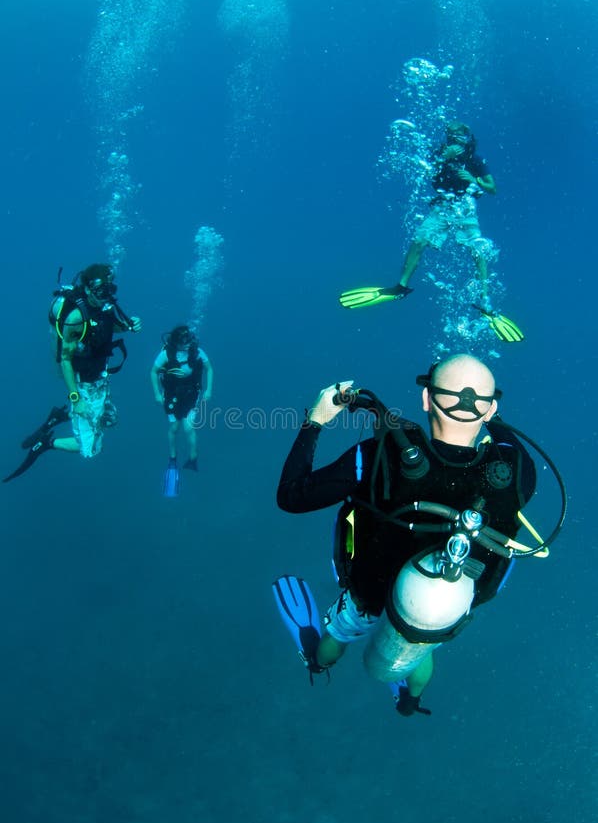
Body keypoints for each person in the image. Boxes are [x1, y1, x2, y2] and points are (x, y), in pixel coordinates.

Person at [275, 354, 536, 716]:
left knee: (339, 633)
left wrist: (315, 420)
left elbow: (291, 496)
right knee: (421, 647)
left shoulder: (379, 455)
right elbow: (505, 440)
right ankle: (410, 700)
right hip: (443, 605)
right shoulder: (518, 472)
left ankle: (318, 663)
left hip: (369, 591)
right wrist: (490, 413)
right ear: (490, 409)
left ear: (426, 399)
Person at [339, 121, 499, 313]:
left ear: (467, 140)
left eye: (459, 138)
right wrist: (443, 158)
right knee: (419, 240)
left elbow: (492, 189)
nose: (455, 141)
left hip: (465, 207)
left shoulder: (475, 160)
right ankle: (401, 287)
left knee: (477, 250)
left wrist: (474, 180)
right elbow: (426, 172)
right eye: (451, 137)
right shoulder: (439, 154)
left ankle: (485, 299)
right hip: (443, 206)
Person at [4, 263, 141, 482]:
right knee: (90, 450)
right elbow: (65, 359)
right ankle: (46, 444)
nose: (105, 296)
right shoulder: (76, 318)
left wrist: (129, 325)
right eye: (100, 291)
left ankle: (60, 416)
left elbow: (109, 327)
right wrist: (76, 398)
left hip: (100, 378)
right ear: (87, 289)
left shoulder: (104, 308)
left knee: (110, 419)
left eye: (109, 290)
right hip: (84, 383)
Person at [150, 325, 213, 476]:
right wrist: (157, 394)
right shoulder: (166, 354)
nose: (187, 343)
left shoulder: (197, 352)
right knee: (175, 427)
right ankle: (173, 457)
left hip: (191, 394)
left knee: (189, 428)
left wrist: (208, 390)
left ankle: (193, 458)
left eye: (189, 340)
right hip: (172, 395)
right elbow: (153, 372)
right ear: (176, 342)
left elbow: (209, 369)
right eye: (184, 341)